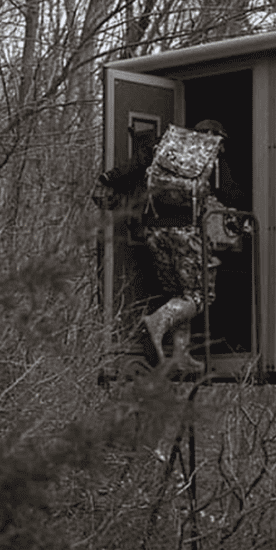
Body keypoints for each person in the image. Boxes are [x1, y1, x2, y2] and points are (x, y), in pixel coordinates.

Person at [95, 123, 231, 377]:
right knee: (200, 296)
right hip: (186, 231)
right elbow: (229, 193)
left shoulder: (165, 143)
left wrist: (109, 178)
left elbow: (134, 165)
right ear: (214, 136)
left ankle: (182, 355)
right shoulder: (208, 153)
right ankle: (158, 321)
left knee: (180, 292)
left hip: (153, 231)